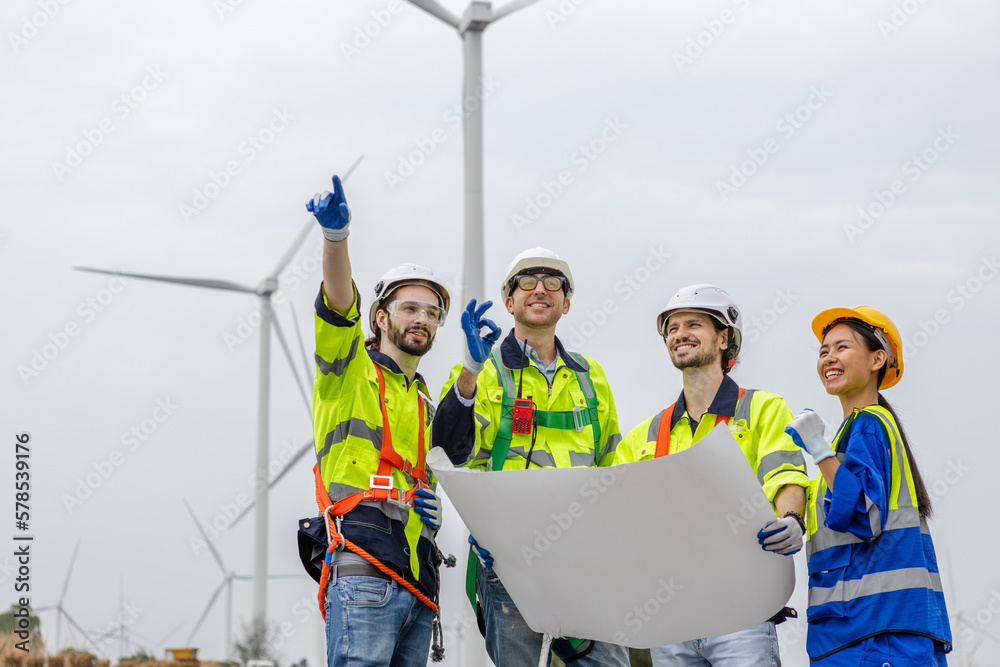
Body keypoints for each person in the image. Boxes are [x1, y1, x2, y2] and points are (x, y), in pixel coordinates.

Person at [432, 247, 629, 667]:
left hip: (586, 559)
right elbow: (448, 450)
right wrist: (470, 365)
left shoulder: (591, 377)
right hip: (511, 560)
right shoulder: (482, 371)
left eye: (552, 282)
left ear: (567, 302)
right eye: (527, 281)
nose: (540, 289)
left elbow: (614, 464)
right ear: (509, 302)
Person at [613, 284, 810, 666]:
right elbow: (618, 515)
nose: (679, 334)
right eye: (671, 328)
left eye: (693, 325)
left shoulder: (761, 409)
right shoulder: (644, 437)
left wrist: (792, 520)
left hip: (742, 612)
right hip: (669, 620)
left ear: (724, 338)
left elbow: (785, 474)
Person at [304, 173, 452, 665]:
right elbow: (339, 305)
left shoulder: (424, 401)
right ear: (381, 318)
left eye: (432, 313)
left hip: (417, 579)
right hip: (364, 569)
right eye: (409, 307)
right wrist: (336, 239)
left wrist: (427, 510)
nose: (422, 319)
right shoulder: (348, 369)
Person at [785, 306, 952, 664]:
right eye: (823, 350)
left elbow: (861, 514)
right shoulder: (862, 429)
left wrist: (818, 449)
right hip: (864, 632)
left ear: (878, 358)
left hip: (873, 634)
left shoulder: (867, 425)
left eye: (842, 347)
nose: (829, 357)